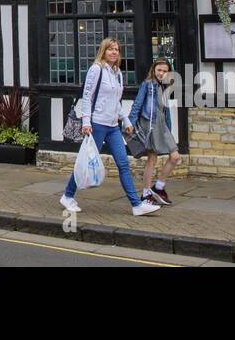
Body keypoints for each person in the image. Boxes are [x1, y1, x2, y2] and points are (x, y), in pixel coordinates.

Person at [60, 39, 161, 217]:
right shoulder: (96, 69)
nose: (114, 52)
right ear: (103, 51)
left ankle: (137, 205)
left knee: (123, 164)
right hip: (97, 125)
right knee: (86, 162)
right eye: (110, 49)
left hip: (113, 126)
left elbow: (116, 102)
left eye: (116, 50)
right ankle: (68, 196)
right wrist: (86, 122)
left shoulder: (117, 73)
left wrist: (126, 121)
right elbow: (87, 97)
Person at [128, 57, 180, 206]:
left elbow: (165, 109)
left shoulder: (165, 86)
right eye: (159, 70)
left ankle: (158, 187)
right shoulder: (147, 84)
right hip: (149, 125)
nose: (161, 73)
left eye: (165, 71)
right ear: (154, 70)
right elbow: (137, 104)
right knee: (152, 158)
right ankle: (145, 194)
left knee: (175, 157)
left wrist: (169, 129)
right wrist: (130, 123)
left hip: (163, 126)